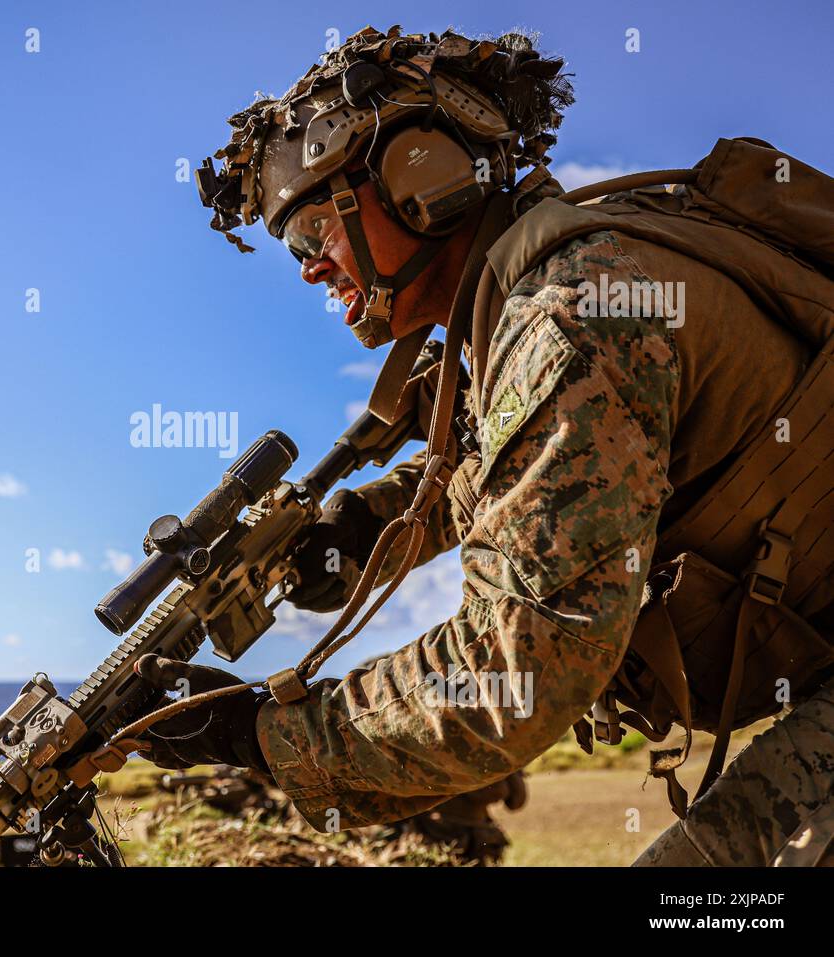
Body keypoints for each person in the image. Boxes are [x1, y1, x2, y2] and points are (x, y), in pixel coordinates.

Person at [132, 25, 834, 866]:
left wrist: (260, 735)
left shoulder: (570, 317)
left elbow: (518, 670)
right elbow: (520, 473)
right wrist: (360, 531)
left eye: (314, 231)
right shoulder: (575, 264)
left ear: (418, 177)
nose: (310, 269)